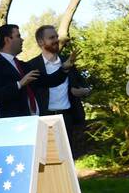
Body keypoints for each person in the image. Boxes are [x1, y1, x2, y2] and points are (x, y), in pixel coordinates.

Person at [0, 24, 73, 119]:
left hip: (34, 120)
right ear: (7, 40)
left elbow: (49, 80)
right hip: (14, 125)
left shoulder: (23, 66)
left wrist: (64, 68)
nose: (22, 40)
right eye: (18, 36)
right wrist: (19, 84)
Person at [27, 25, 91, 153]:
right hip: (44, 119)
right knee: (46, 157)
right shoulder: (32, 66)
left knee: (69, 158)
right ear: (41, 42)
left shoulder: (68, 61)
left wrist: (82, 91)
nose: (56, 40)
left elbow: (81, 85)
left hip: (67, 118)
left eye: (56, 36)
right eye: (51, 37)